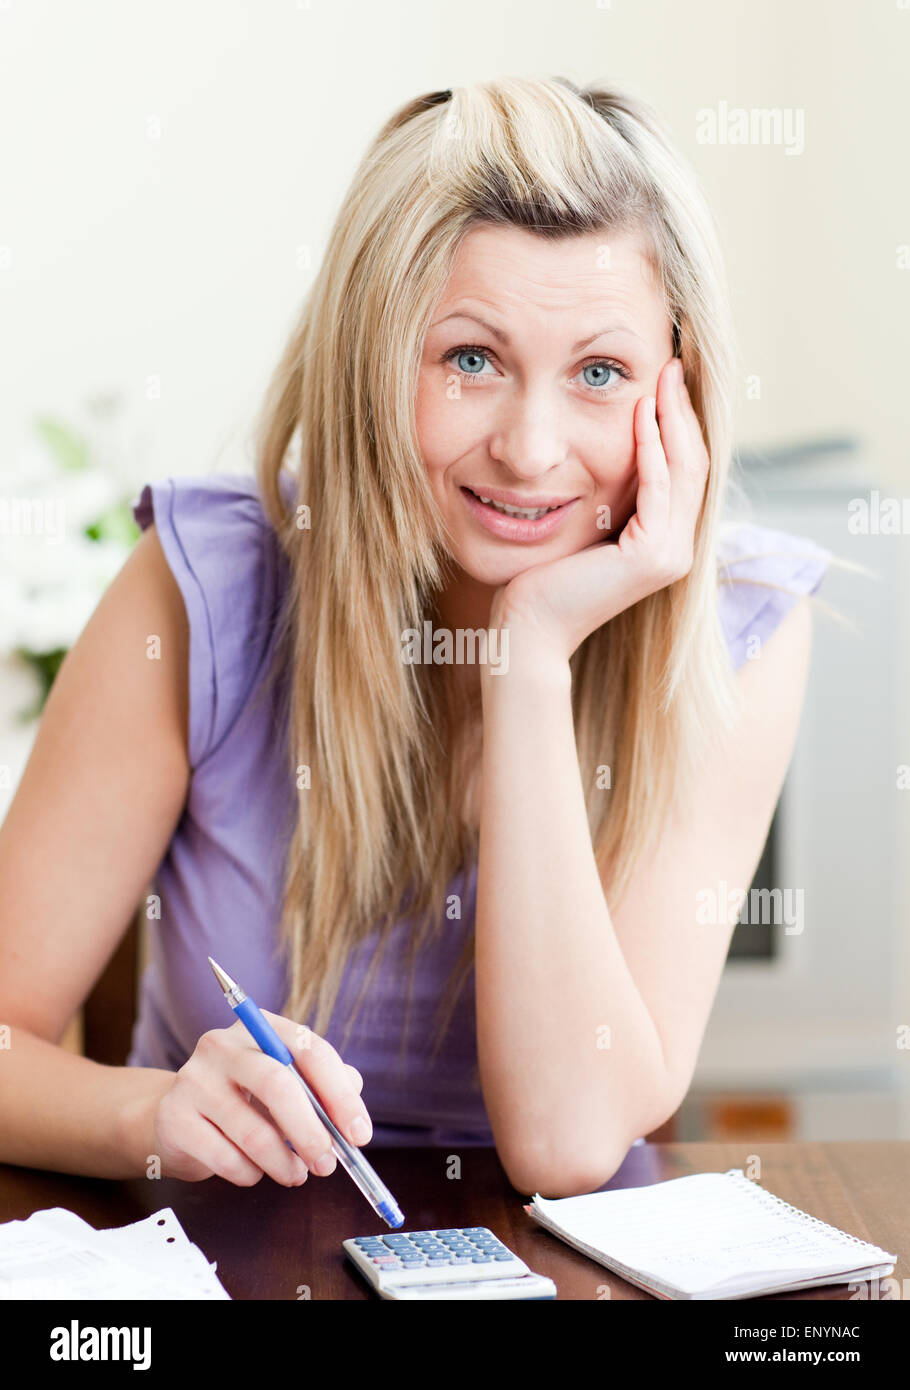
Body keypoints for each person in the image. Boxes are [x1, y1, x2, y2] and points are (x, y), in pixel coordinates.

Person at [0, 77, 833, 1199]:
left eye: (600, 373)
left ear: (676, 396)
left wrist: (528, 660)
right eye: (471, 359)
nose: (532, 450)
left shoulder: (740, 629)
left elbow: (567, 1142)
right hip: (224, 1248)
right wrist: (151, 1112)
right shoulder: (208, 584)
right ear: (373, 362)